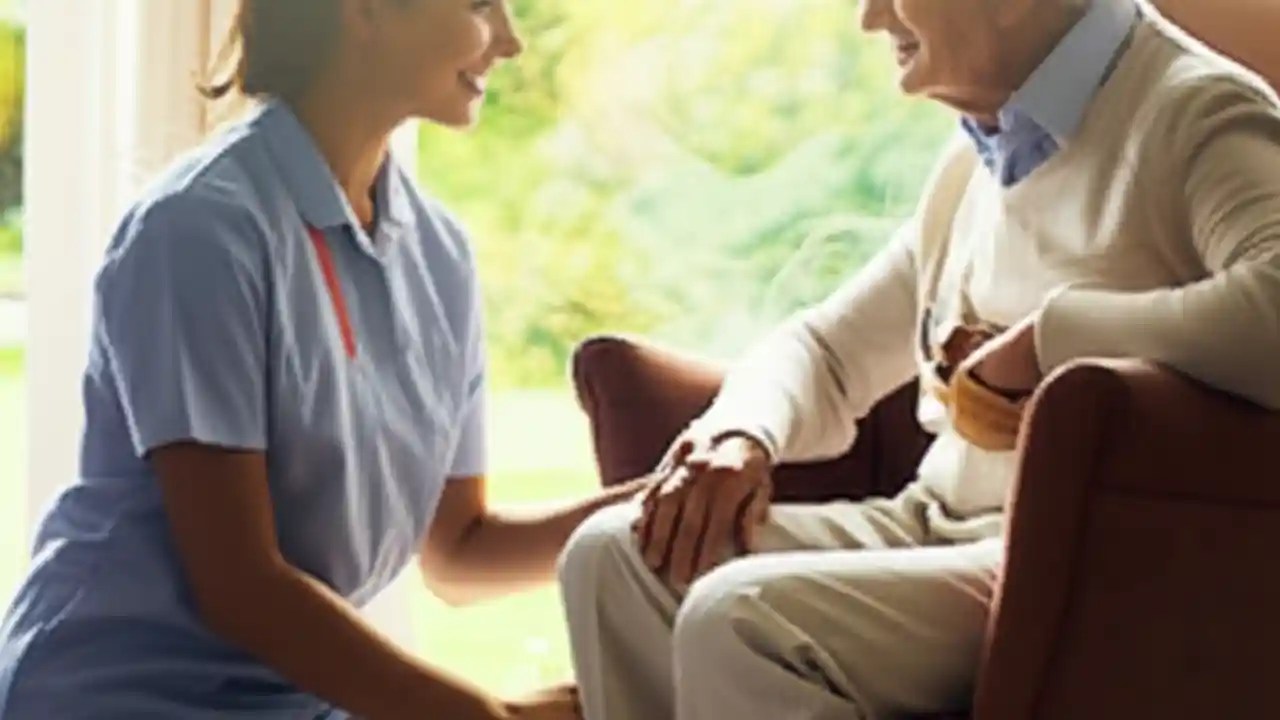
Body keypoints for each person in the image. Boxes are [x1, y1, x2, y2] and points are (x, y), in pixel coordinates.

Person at [557, 0, 1280, 718]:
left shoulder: (1197, 112)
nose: (872, 18)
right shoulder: (978, 158)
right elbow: (827, 349)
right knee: (614, 559)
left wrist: (1048, 341)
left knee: (740, 619)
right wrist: (742, 433)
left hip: (1080, 572)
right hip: (935, 527)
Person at [0, 1, 648, 717]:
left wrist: (661, 503)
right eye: (478, 4)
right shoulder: (199, 231)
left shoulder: (439, 254)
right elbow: (242, 587)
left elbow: (459, 550)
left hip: (292, 702)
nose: (511, 41)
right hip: (113, 696)